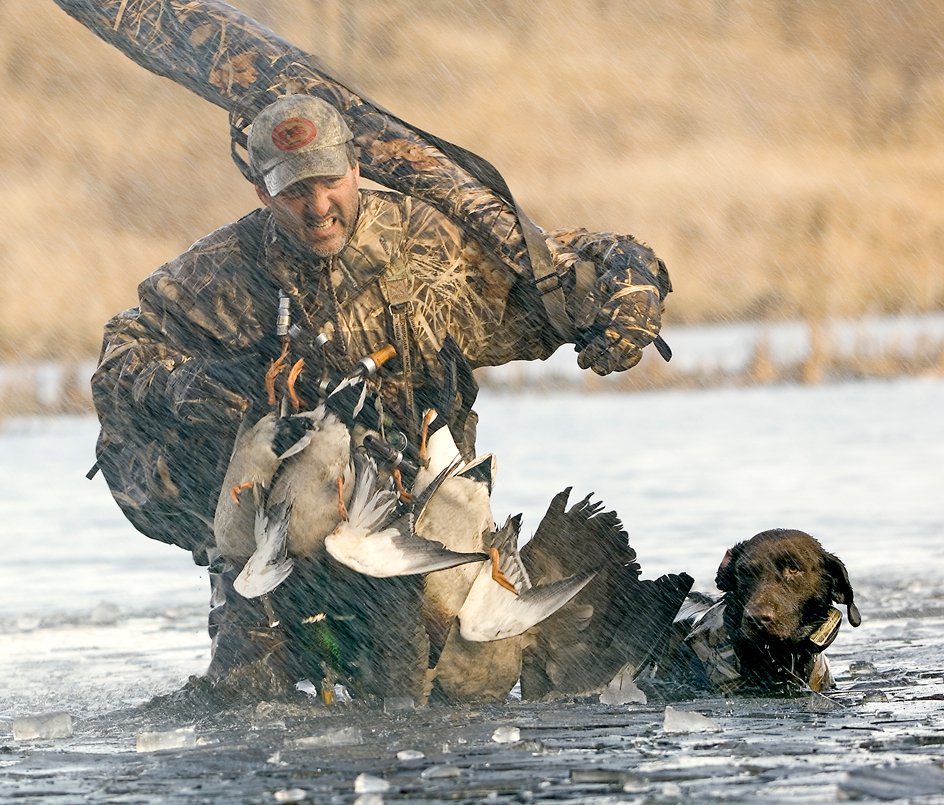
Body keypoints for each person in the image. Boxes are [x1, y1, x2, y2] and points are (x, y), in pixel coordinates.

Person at [90, 94, 672, 696]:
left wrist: (629, 286)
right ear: (263, 193)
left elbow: (576, 265)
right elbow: (120, 356)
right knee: (249, 696)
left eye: (329, 182)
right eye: (295, 191)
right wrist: (200, 384)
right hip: (285, 528)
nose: (318, 207)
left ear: (356, 167)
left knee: (467, 686)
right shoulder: (222, 273)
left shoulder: (431, 243)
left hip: (425, 510)